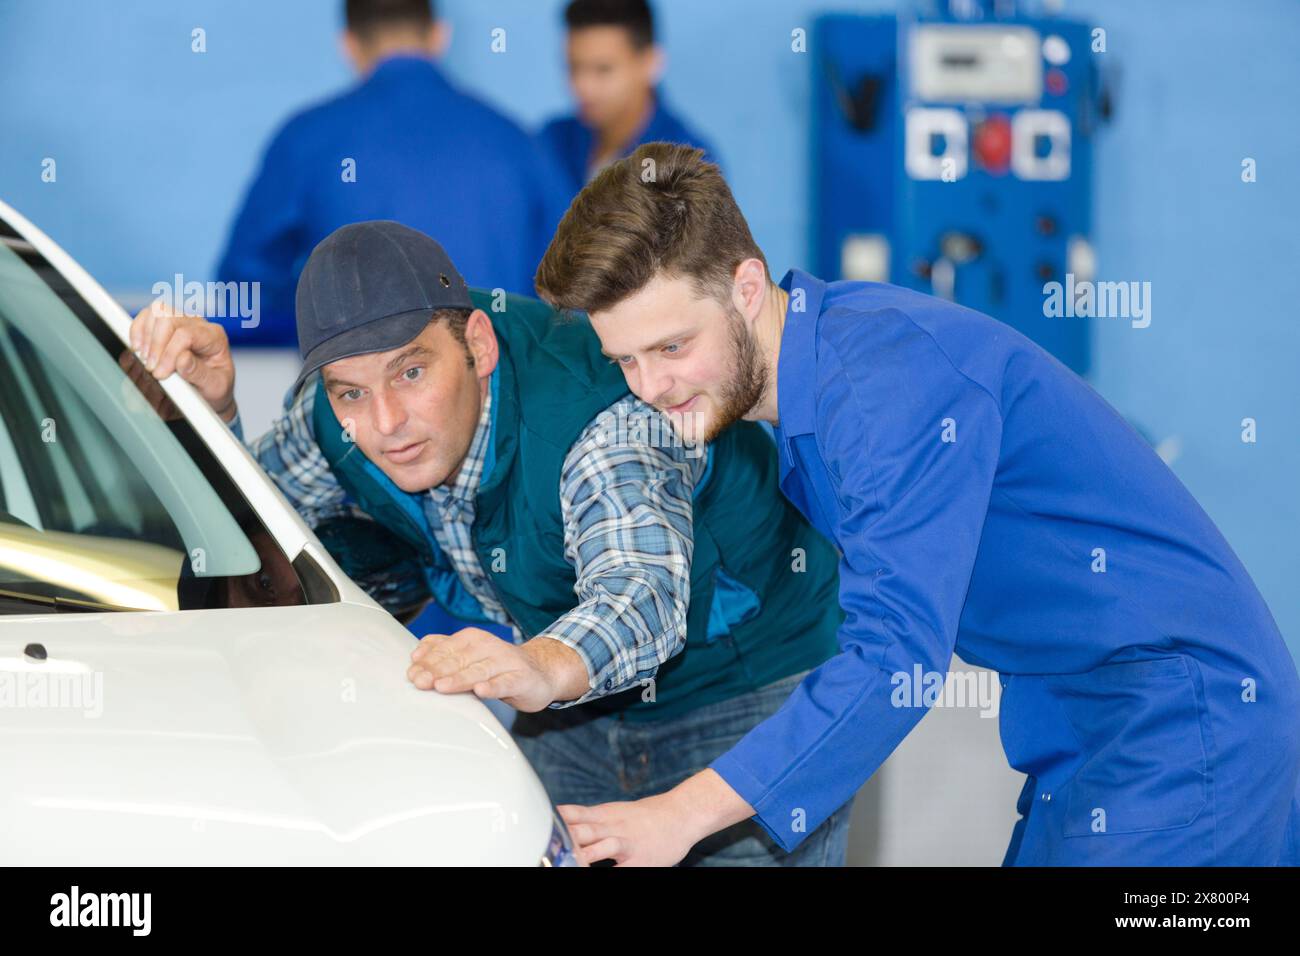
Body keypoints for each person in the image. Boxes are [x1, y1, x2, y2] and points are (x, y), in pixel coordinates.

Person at [532, 141, 1300, 866]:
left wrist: (682, 812)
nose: (650, 387)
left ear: (747, 286)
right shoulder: (825, 371)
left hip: (1182, 728)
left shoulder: (879, 387)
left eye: (671, 347)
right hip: (1088, 727)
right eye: (624, 359)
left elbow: (896, 651)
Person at [132, 220, 853, 866]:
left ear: (477, 345)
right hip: (573, 712)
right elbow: (250, 536)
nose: (386, 421)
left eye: (412, 372)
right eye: (350, 390)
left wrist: (538, 664)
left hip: (752, 693)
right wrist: (212, 414)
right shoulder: (333, 419)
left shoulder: (600, 415)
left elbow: (641, 600)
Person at [215, 0, 568, 346]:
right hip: (503, 385)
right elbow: (575, 276)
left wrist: (324, 329)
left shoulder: (306, 139)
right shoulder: (516, 140)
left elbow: (247, 283)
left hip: (358, 389)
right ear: (440, 35)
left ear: (348, 45)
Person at [538, 0, 717, 196]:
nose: (583, 87)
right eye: (574, 67)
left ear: (650, 63)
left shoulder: (689, 167)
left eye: (603, 69)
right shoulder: (552, 141)